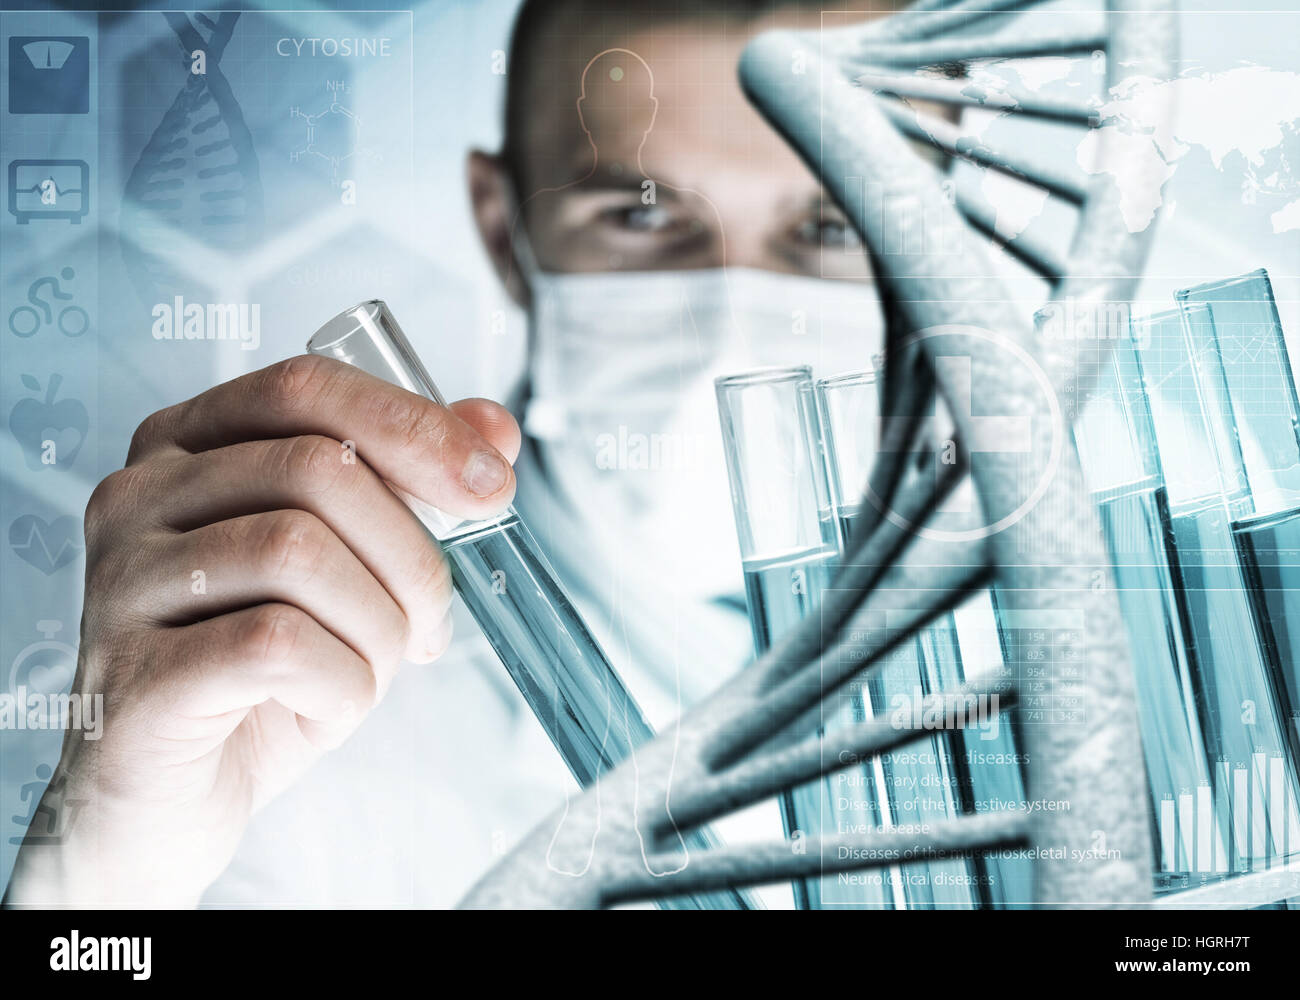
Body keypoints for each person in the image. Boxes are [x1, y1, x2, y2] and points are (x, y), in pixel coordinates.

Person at [3, 0, 896, 908]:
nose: (730, 325)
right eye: (639, 215)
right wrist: (97, 876)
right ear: (505, 228)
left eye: (833, 225)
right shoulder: (285, 713)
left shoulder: (1027, 665)